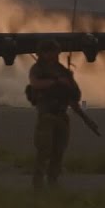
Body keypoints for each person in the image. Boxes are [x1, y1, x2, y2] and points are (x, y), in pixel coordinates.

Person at [25, 39, 82, 190]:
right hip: (47, 116)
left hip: (62, 116)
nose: (57, 54)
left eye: (57, 51)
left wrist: (69, 84)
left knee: (59, 151)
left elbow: (73, 93)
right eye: (53, 51)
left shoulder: (63, 70)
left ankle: (53, 181)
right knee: (44, 150)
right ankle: (38, 184)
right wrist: (57, 81)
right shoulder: (38, 69)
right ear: (44, 53)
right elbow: (35, 83)